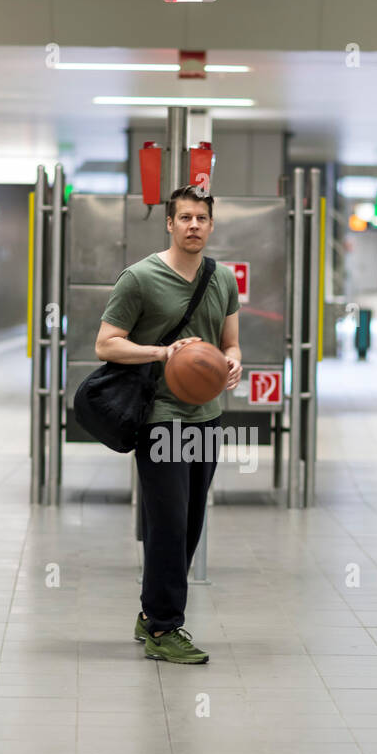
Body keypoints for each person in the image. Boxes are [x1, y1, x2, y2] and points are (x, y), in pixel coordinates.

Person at [94, 186, 242, 664]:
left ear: (211, 225)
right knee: (169, 523)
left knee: (192, 521)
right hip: (161, 417)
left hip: (207, 417)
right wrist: (162, 353)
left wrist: (233, 363)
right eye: (185, 218)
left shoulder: (222, 279)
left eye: (201, 217)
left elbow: (231, 342)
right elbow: (106, 344)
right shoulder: (139, 278)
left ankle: (150, 610)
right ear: (169, 224)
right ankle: (163, 628)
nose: (194, 225)